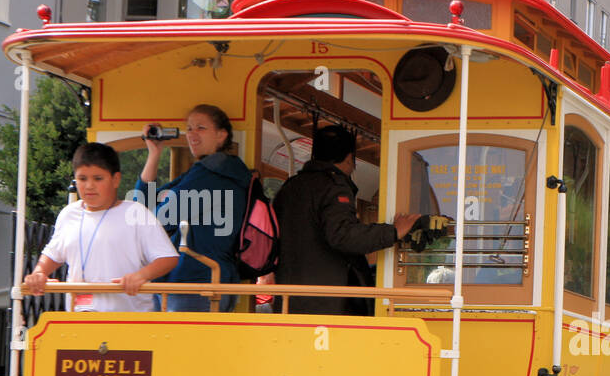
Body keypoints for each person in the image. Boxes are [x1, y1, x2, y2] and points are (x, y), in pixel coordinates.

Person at [272, 125, 444, 315]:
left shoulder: (290, 187)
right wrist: (394, 231)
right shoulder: (334, 186)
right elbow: (343, 235)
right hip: (326, 303)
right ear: (348, 158)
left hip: (288, 299)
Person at [23, 142, 179, 311]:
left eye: (98, 178)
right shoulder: (68, 214)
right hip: (79, 321)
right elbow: (53, 254)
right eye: (82, 179)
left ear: (116, 179)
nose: (89, 186)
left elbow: (168, 257)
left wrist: (141, 276)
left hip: (128, 322)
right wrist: (39, 273)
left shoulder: (135, 213)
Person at [138, 104, 250, 312]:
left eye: (201, 128)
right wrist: (154, 154)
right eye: (189, 128)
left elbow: (158, 219)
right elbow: (143, 206)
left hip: (193, 282)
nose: (192, 134)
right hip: (207, 281)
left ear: (221, 135)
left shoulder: (213, 173)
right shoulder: (213, 172)